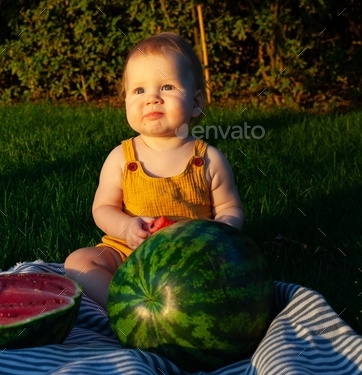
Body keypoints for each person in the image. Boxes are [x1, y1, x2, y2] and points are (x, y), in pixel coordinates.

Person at [64, 32, 244, 309]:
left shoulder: (209, 160)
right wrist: (126, 227)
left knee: (235, 276)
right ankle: (123, 305)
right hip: (128, 252)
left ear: (196, 103)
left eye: (167, 87)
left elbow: (230, 208)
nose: (152, 99)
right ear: (125, 102)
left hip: (190, 259)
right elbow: (103, 208)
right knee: (78, 263)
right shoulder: (122, 158)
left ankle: (174, 308)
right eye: (139, 90)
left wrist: (217, 236)